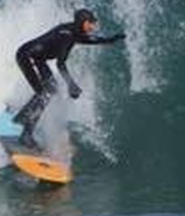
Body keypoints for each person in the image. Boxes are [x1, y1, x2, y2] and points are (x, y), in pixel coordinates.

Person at [11, 8, 126, 149]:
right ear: (83, 22)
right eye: (90, 23)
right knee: (45, 93)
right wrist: (71, 85)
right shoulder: (68, 35)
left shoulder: (73, 32)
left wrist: (111, 39)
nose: (93, 26)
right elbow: (60, 64)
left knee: (50, 90)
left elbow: (92, 40)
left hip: (38, 58)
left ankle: (22, 118)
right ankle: (25, 133)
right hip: (27, 56)